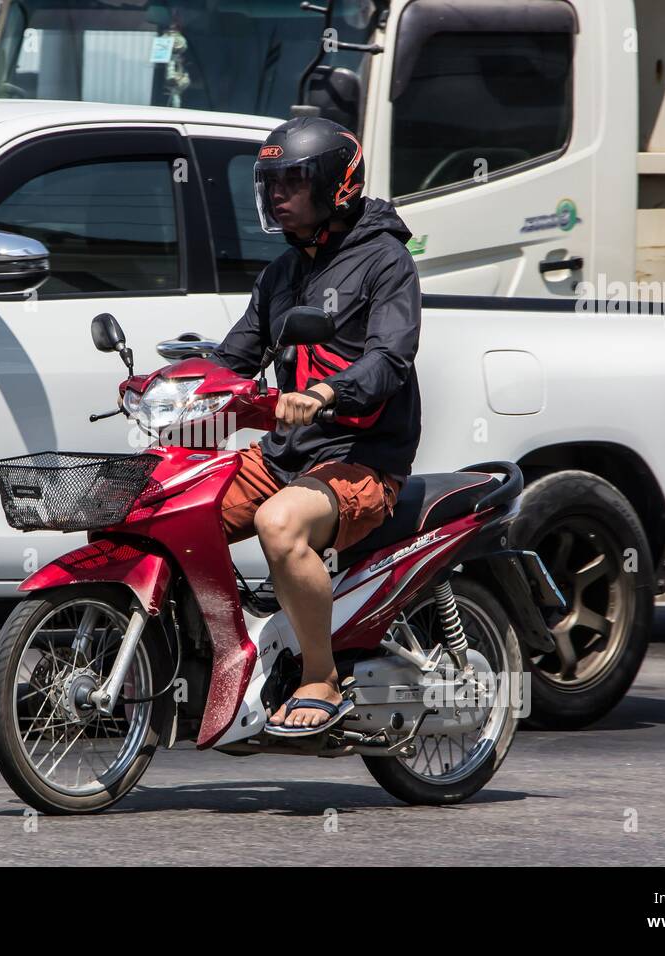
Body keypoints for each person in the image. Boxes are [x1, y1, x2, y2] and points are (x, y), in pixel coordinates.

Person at [211, 115, 422, 735]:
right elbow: (233, 359)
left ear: (337, 185)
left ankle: (319, 677)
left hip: (360, 458)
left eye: (293, 181)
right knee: (168, 504)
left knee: (279, 523)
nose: (277, 194)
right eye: (270, 182)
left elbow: (390, 359)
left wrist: (328, 391)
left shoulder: (386, 262)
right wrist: (176, 387)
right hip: (286, 456)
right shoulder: (281, 273)